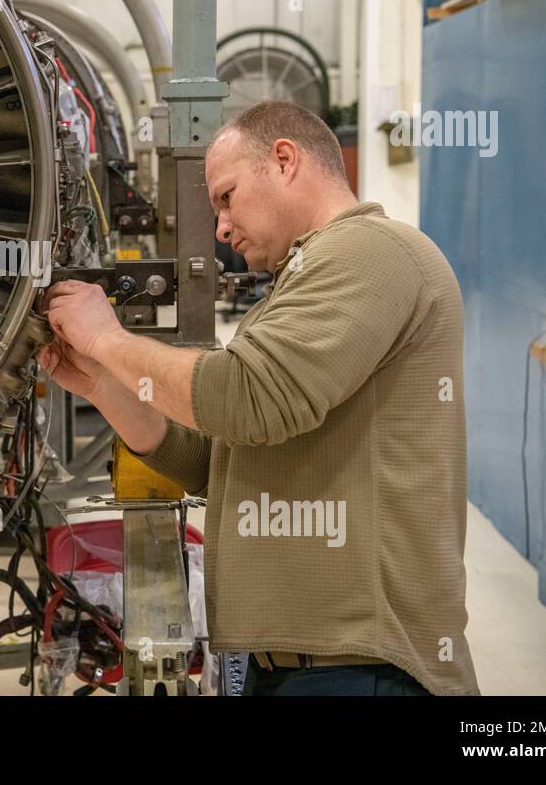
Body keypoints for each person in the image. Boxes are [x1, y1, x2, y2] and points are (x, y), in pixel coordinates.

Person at [40, 101, 479, 696]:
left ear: (284, 160)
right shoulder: (300, 281)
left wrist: (108, 338)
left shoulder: (372, 253)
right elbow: (208, 457)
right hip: (296, 662)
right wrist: (100, 381)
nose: (220, 227)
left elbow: (247, 397)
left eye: (226, 196)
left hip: (358, 668)